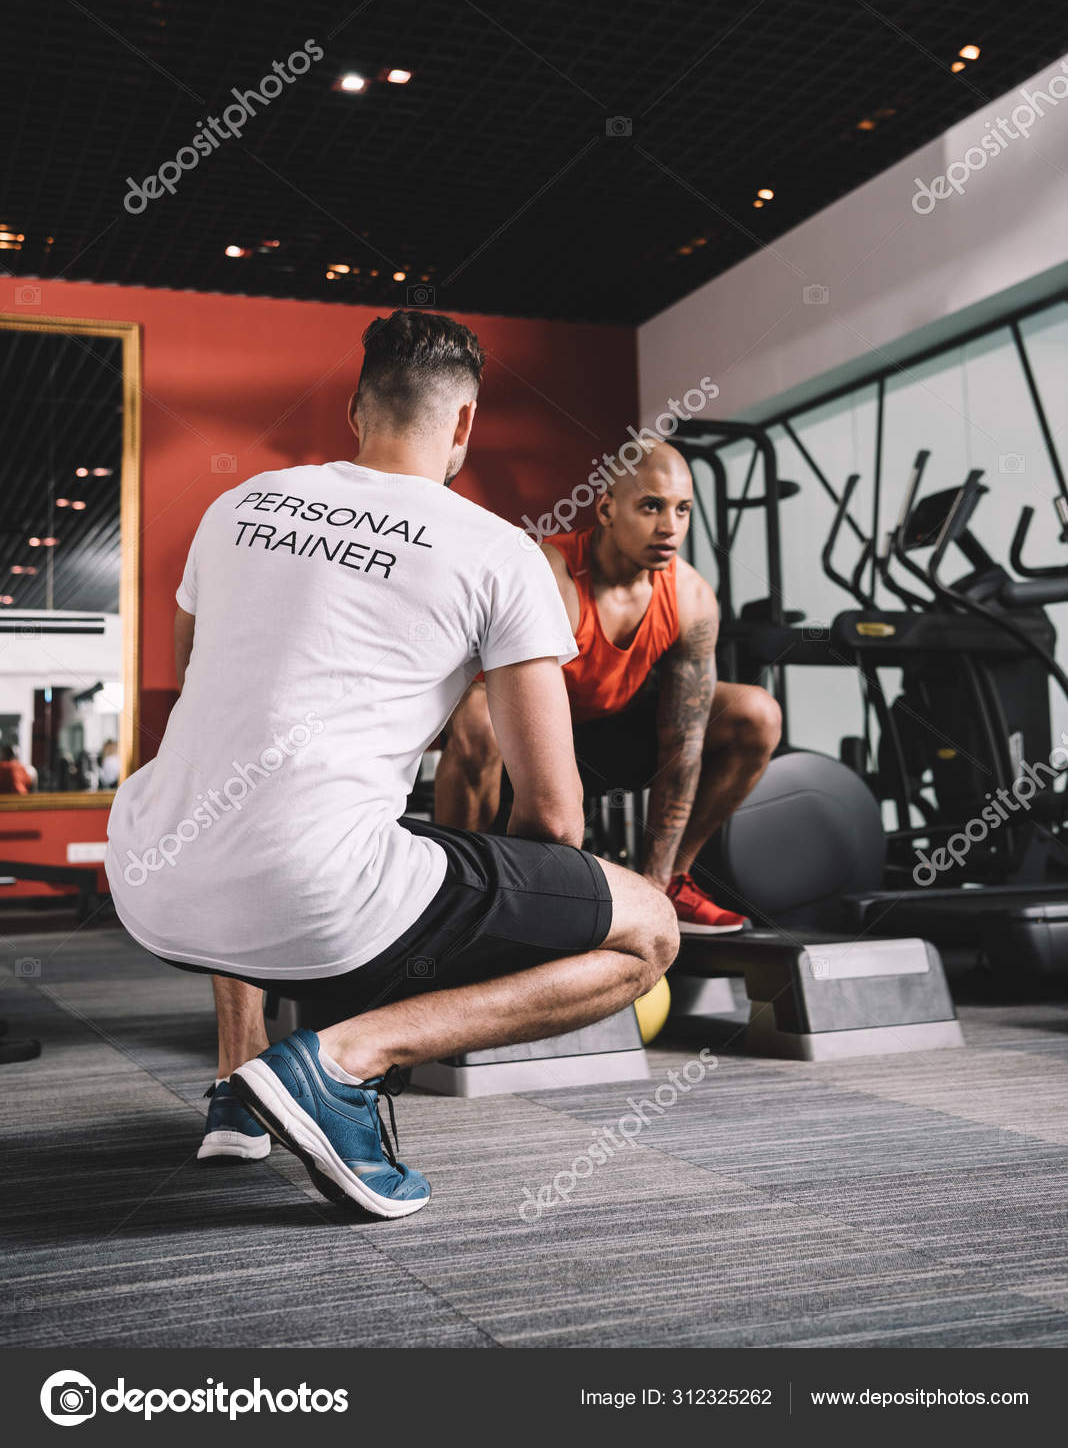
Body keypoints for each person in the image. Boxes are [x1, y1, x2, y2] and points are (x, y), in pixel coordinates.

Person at [105, 311, 677, 1219]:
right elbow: (555, 817)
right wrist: (498, 937)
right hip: (311, 898)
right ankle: (343, 1063)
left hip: (146, 875)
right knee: (648, 931)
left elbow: (203, 701)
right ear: (465, 423)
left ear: (355, 410)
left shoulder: (239, 504)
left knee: (268, 806)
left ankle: (238, 1088)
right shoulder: (501, 551)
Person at [434, 440, 781, 934]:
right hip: (524, 751)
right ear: (606, 510)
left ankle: (672, 884)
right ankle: (456, 900)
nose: (670, 527)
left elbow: (684, 742)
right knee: (477, 720)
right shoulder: (552, 576)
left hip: (610, 738)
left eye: (683, 509)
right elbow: (507, 709)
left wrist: (655, 882)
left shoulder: (690, 596)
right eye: (651, 507)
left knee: (755, 713)